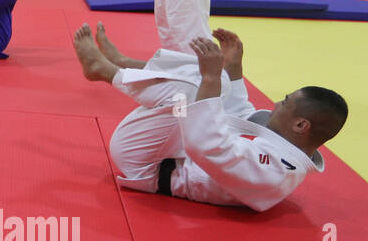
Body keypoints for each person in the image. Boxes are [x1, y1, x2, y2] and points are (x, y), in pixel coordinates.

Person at [73, 23, 347, 212]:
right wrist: (233, 69)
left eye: (285, 102)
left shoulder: (274, 171)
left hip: (144, 162)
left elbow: (204, 143)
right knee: (219, 81)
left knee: (196, 88)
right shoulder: (284, 149)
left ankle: (104, 71)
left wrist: (213, 77)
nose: (276, 103)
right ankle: (125, 63)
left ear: (301, 125)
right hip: (167, 150)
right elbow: (239, 116)